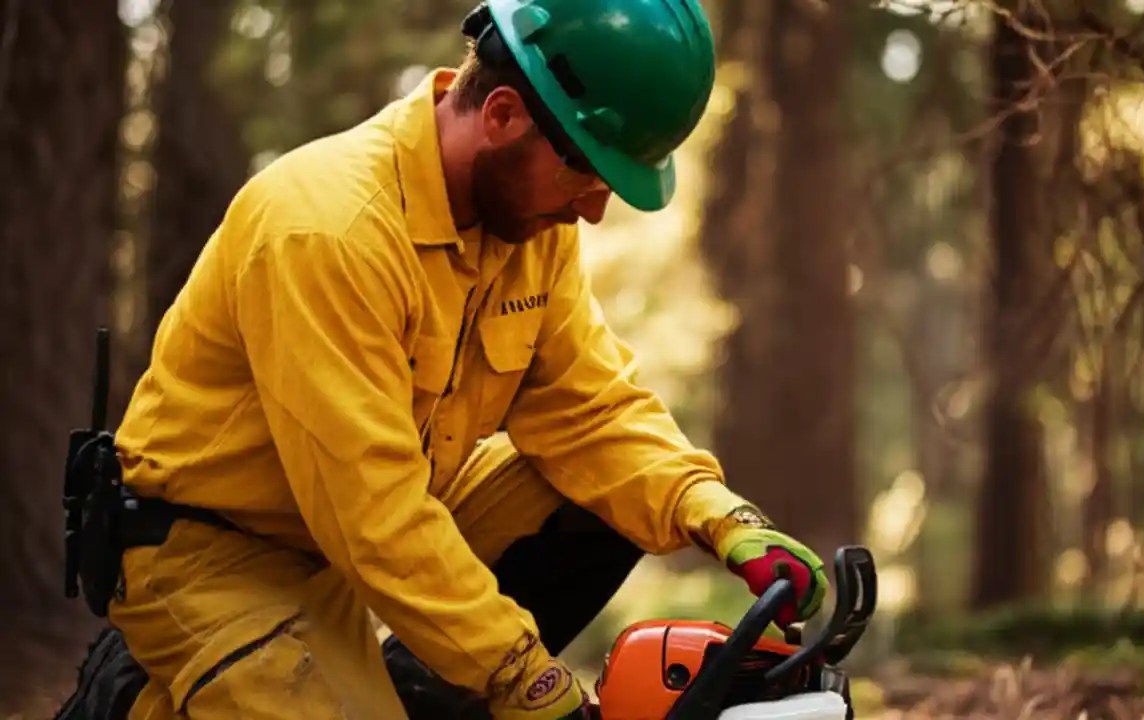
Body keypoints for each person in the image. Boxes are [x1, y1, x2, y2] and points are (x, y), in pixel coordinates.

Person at [60, 1, 829, 718]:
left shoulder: (529, 227)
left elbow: (593, 412)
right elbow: (376, 514)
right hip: (212, 555)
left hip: (353, 540)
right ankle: (139, 698)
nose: (596, 207)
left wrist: (723, 520)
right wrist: (525, 676)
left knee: (602, 495)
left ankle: (395, 687)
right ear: (501, 115)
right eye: (587, 171)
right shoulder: (328, 231)